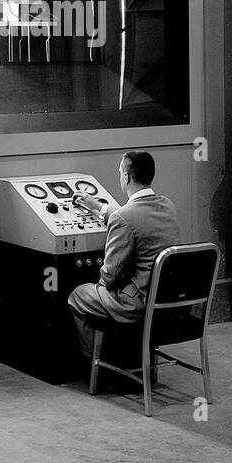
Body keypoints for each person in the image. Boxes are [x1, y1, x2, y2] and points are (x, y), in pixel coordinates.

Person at [66, 151, 182, 361]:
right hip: (166, 303)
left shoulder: (123, 217)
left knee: (78, 295)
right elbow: (137, 219)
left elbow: (110, 275)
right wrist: (98, 207)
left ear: (126, 176)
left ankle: (98, 365)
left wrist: (101, 281)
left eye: (120, 172)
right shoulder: (168, 205)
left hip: (135, 305)